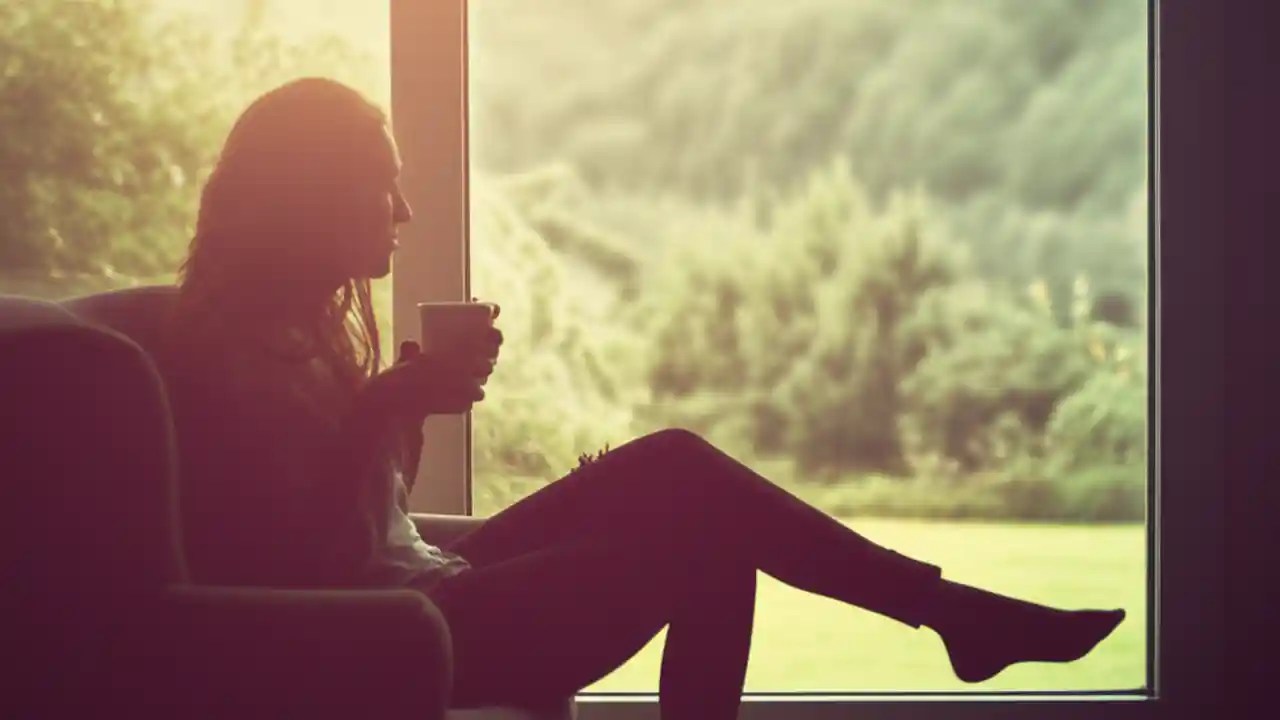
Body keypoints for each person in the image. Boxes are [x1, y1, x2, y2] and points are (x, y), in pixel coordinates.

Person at [160, 78, 1125, 719]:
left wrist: (408, 408)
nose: (406, 215)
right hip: (391, 635)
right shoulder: (217, 352)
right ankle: (954, 616)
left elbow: (379, 521)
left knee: (670, 465)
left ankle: (949, 611)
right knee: (704, 537)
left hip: (423, 583)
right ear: (311, 194)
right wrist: (386, 408)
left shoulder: (313, 326)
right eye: (384, 188)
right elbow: (295, 567)